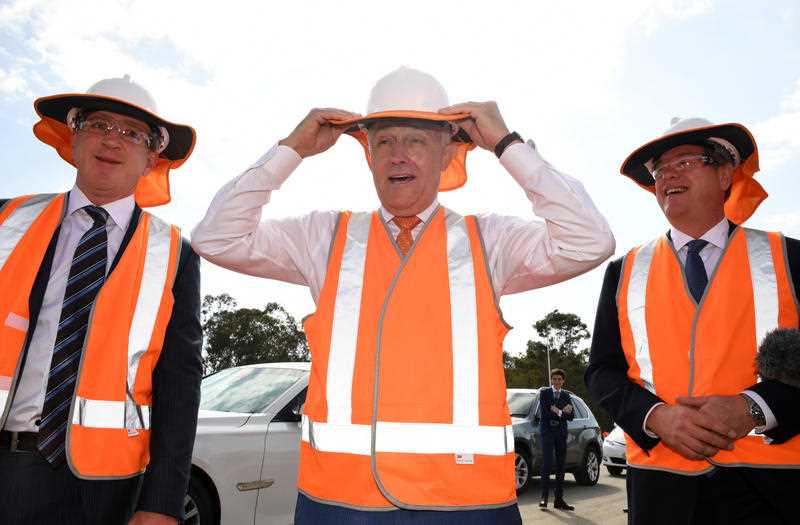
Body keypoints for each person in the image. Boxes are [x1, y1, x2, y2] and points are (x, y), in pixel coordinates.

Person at [192, 66, 614, 523]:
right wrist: (290, 151)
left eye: (415, 141)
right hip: (339, 503)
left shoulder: (488, 242)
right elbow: (215, 237)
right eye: (384, 141)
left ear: (447, 154)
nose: (398, 156)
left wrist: (506, 145)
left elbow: (590, 240)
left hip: (465, 504)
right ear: (368, 155)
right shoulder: (326, 237)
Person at [0, 76, 203, 524]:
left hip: (108, 488)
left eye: (132, 133)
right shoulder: (7, 220)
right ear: (73, 139)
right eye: (99, 125)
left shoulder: (175, 254)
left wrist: (162, 503)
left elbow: (179, 385)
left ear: (152, 157)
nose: (113, 140)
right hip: (8, 463)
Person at [585, 117, 800, 524]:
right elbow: (602, 371)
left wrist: (756, 408)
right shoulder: (624, 270)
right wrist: (657, 418)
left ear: (724, 174)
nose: (666, 175)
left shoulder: (789, 257)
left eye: (683, 162)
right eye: (658, 170)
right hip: (660, 494)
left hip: (775, 492)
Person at [537, 368, 575, 511]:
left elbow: (571, 416)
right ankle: (543, 498)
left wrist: (557, 411)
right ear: (551, 380)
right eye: (554, 379)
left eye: (559, 379)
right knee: (546, 464)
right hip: (548, 433)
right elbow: (545, 413)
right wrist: (562, 411)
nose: (557, 381)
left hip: (561, 433)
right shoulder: (544, 393)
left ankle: (559, 500)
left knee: (560, 466)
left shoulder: (566, 395)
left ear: (563, 381)